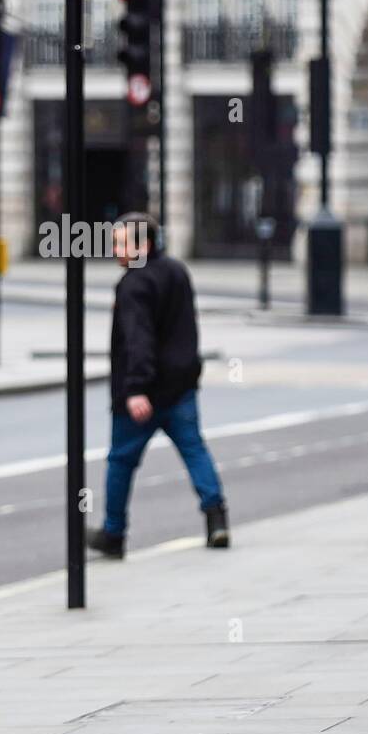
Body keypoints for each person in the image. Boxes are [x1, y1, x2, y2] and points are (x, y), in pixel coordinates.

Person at [87, 213, 229, 559]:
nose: (115, 249)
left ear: (144, 244)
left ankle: (114, 533)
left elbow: (138, 340)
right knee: (194, 450)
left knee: (121, 462)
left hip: (143, 394)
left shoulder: (133, 284)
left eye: (122, 243)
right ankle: (216, 520)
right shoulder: (177, 271)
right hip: (180, 386)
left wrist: (136, 388)